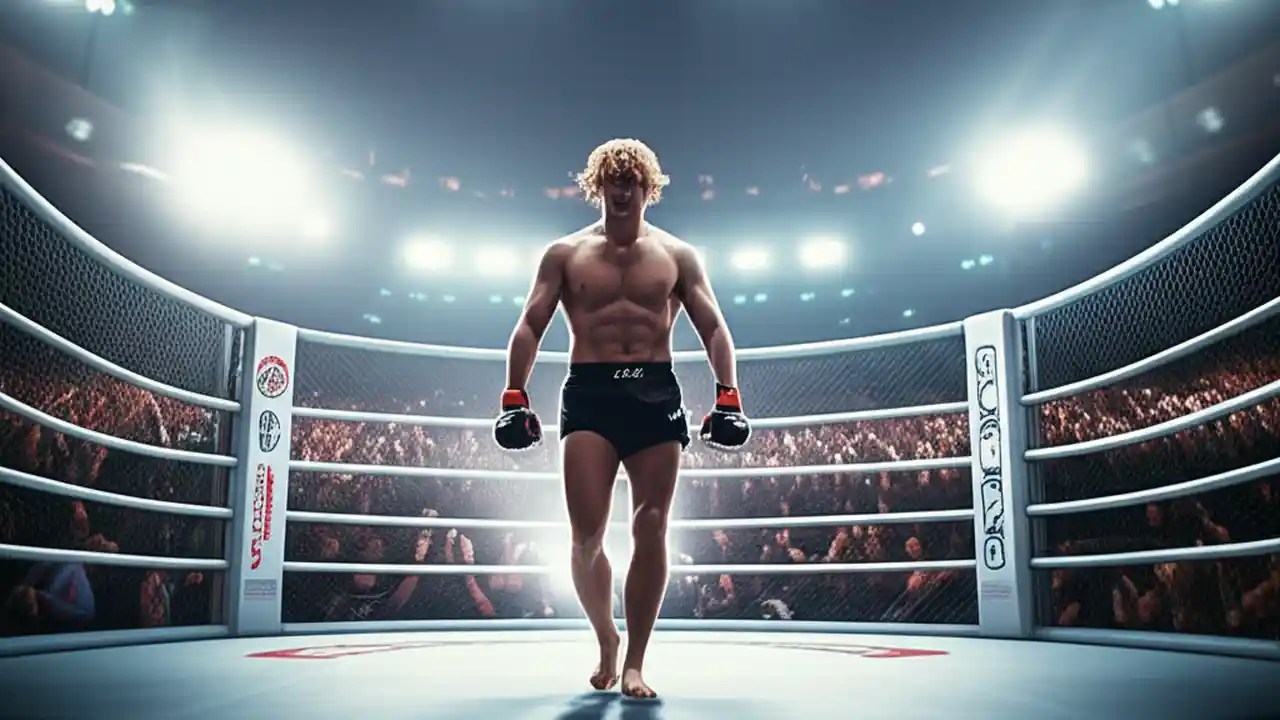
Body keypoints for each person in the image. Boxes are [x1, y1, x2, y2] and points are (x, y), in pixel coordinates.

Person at [493, 138, 750, 698]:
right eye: (614, 178)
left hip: (655, 393)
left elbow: (713, 325)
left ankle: (635, 661)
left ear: (647, 188)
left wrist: (728, 393)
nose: (623, 188)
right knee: (585, 536)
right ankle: (605, 636)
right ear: (599, 186)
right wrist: (514, 393)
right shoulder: (564, 254)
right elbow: (530, 323)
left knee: (652, 525)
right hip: (590, 394)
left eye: (633, 179)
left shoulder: (678, 256)